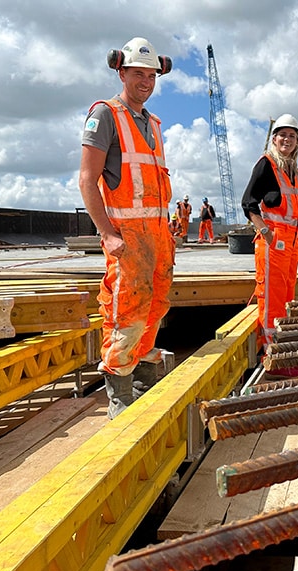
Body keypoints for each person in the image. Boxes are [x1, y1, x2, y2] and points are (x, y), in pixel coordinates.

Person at [78, 36, 175, 419]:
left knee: (154, 309)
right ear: (121, 73)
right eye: (138, 74)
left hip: (158, 240)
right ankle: (120, 397)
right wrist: (107, 233)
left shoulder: (153, 123)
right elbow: (87, 180)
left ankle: (143, 385)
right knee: (125, 314)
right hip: (128, 239)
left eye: (151, 76)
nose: (145, 82)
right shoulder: (106, 115)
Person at [240, 113, 298, 378]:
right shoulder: (266, 164)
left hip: (291, 241)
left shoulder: (293, 172)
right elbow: (248, 202)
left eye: (292, 136)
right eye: (282, 135)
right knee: (272, 299)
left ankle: (283, 351)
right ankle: (272, 357)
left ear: (297, 141)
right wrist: (265, 231)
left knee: (287, 297)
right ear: (274, 138)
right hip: (274, 241)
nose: (287, 140)